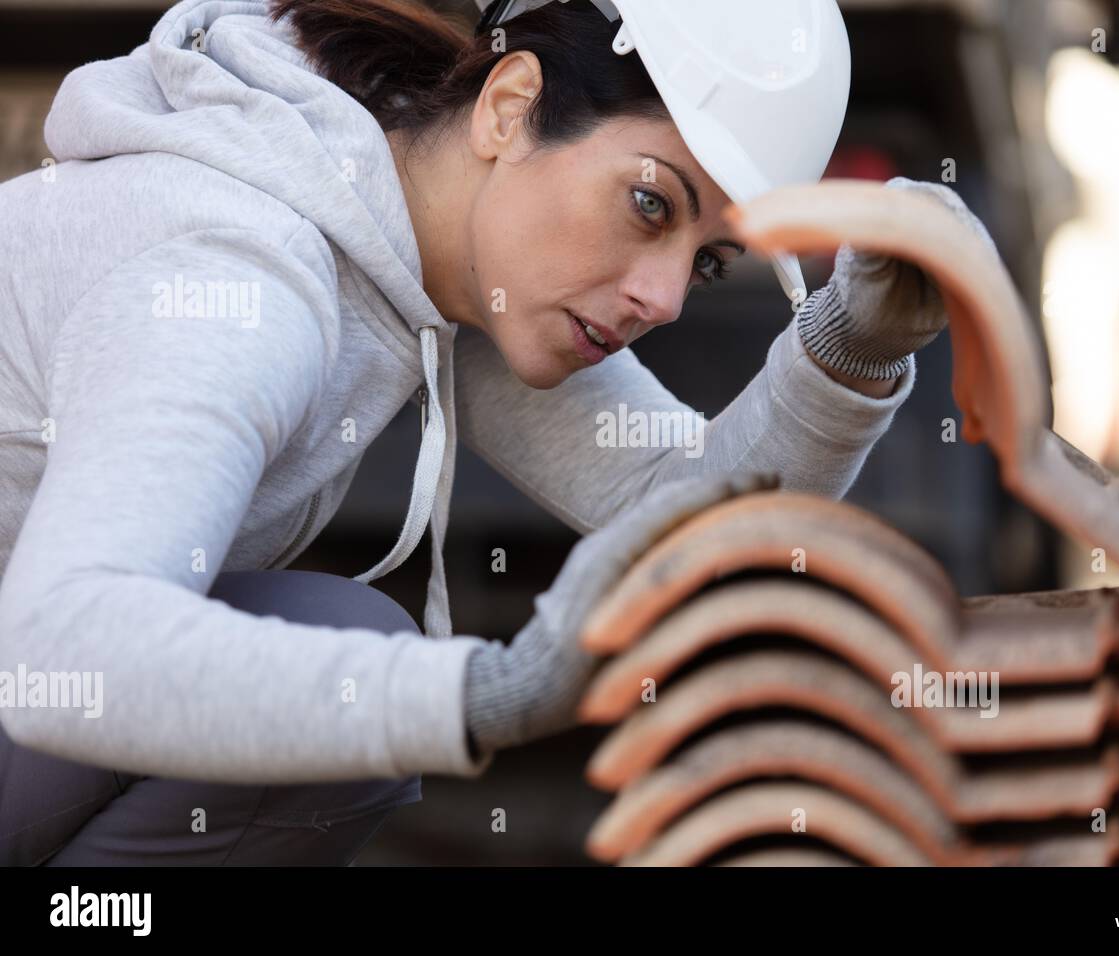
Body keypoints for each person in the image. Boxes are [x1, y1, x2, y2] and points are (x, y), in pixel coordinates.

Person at [0, 0, 995, 865]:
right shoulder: (233, 276)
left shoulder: (437, 255)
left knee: (337, 670)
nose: (659, 297)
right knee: (351, 651)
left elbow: (679, 515)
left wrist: (849, 345)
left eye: (703, 259)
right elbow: (62, 652)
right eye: (650, 204)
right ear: (509, 106)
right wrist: (480, 691)